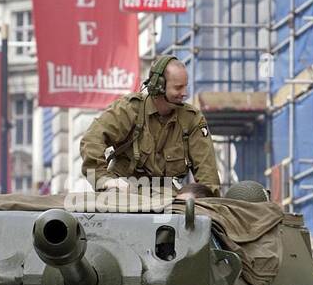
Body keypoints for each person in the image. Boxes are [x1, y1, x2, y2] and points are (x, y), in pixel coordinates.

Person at [79, 55, 220, 194]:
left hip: (168, 201)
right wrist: (104, 180)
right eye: (178, 88)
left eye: (185, 87)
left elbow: (208, 175)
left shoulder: (191, 119)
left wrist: (205, 201)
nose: (184, 93)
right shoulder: (129, 109)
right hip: (123, 197)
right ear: (158, 86)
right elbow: (91, 141)